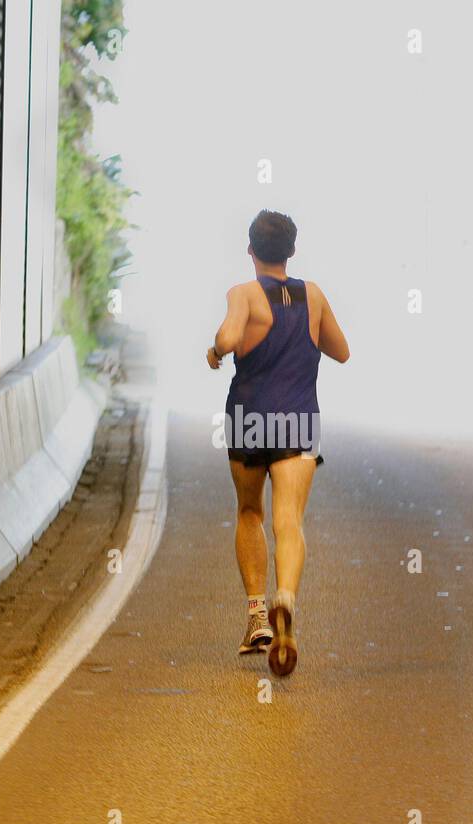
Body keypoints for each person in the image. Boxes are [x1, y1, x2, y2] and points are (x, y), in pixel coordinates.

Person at [206, 210, 350, 676]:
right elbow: (341, 351)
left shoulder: (244, 294)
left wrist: (215, 351)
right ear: (292, 251)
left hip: (249, 418)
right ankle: (284, 597)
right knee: (290, 520)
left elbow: (228, 337)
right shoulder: (314, 295)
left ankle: (256, 617)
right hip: (299, 418)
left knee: (251, 512)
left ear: (251, 251)